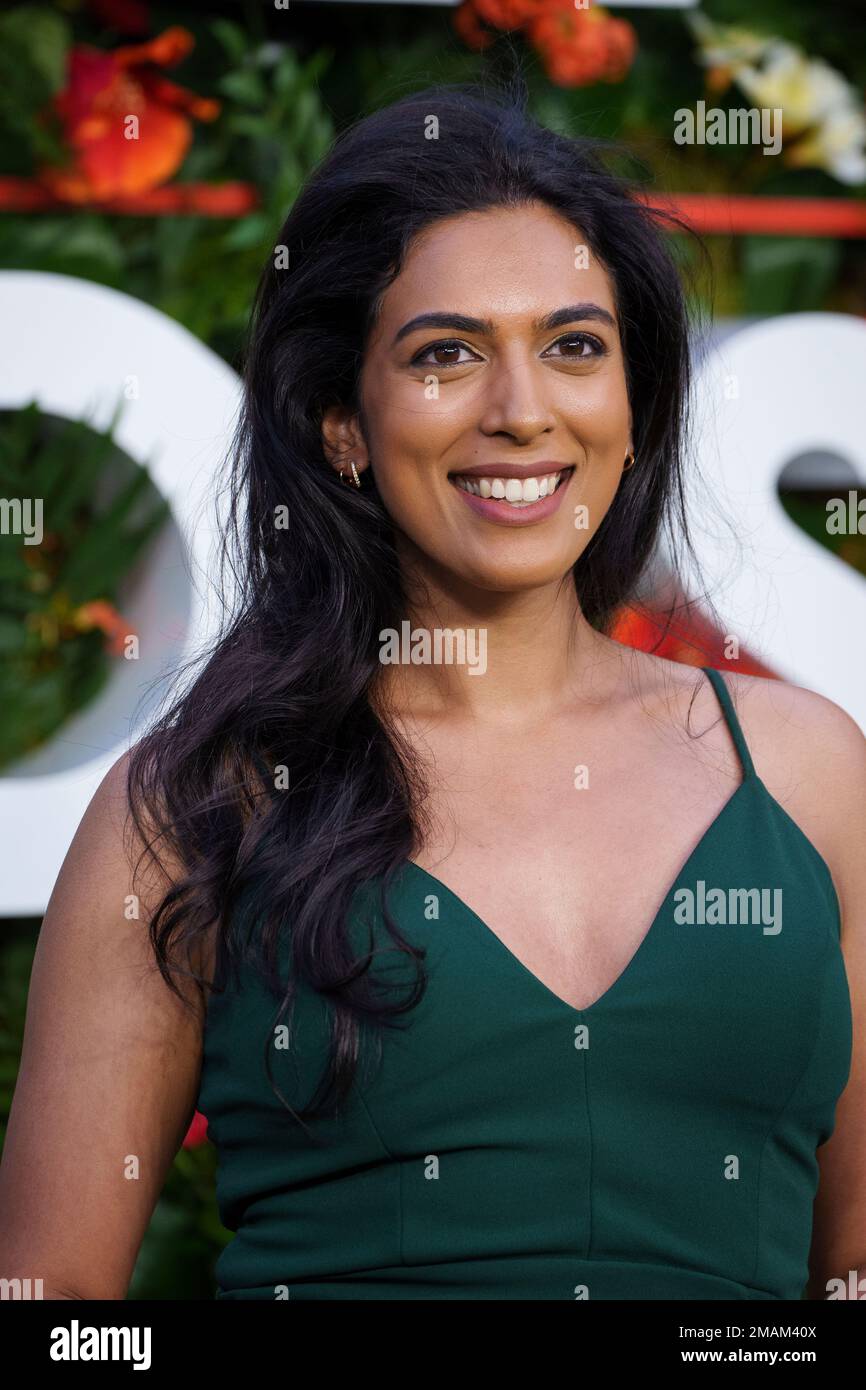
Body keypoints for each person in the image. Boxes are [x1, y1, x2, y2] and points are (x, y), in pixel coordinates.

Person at [1, 80, 863, 1302]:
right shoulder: (195, 805)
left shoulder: (809, 774)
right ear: (341, 423)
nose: (521, 411)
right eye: (445, 354)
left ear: (631, 405)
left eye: (573, 346)